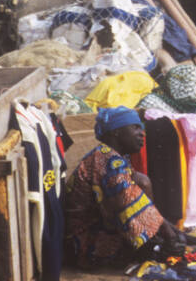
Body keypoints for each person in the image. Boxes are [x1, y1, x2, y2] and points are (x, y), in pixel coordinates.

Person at [64, 107, 188, 268]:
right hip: (83, 243)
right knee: (137, 196)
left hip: (92, 231)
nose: (142, 133)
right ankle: (147, 245)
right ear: (116, 132)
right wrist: (169, 235)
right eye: (135, 127)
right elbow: (130, 203)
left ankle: (152, 241)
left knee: (141, 181)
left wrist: (170, 230)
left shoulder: (113, 156)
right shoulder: (107, 160)